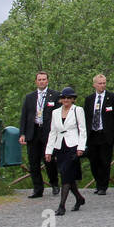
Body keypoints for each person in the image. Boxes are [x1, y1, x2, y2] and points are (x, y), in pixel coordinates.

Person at [44, 86, 88, 216]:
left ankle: (61, 205)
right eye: (64, 97)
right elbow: (53, 132)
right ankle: (79, 198)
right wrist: (49, 150)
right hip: (60, 146)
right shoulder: (55, 112)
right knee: (66, 175)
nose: (66, 100)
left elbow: (83, 129)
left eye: (69, 98)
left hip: (73, 145)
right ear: (60, 99)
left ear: (73, 99)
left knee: (66, 175)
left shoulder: (78, 110)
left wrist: (81, 147)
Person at [18, 71, 60, 198]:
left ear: (47, 81)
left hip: (48, 132)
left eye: (44, 79)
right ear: (36, 81)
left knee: (49, 160)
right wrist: (22, 133)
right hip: (33, 131)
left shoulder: (55, 95)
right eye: (39, 79)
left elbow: (59, 115)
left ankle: (54, 184)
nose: (41, 81)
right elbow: (24, 116)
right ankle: (38, 189)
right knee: (33, 162)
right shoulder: (30, 97)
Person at [83, 74, 114, 195]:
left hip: (106, 134)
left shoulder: (113, 98)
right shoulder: (89, 99)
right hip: (92, 134)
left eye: (104, 83)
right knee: (94, 161)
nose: (102, 85)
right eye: (100, 83)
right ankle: (98, 182)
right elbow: (85, 117)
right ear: (94, 84)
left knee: (105, 161)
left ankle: (103, 186)